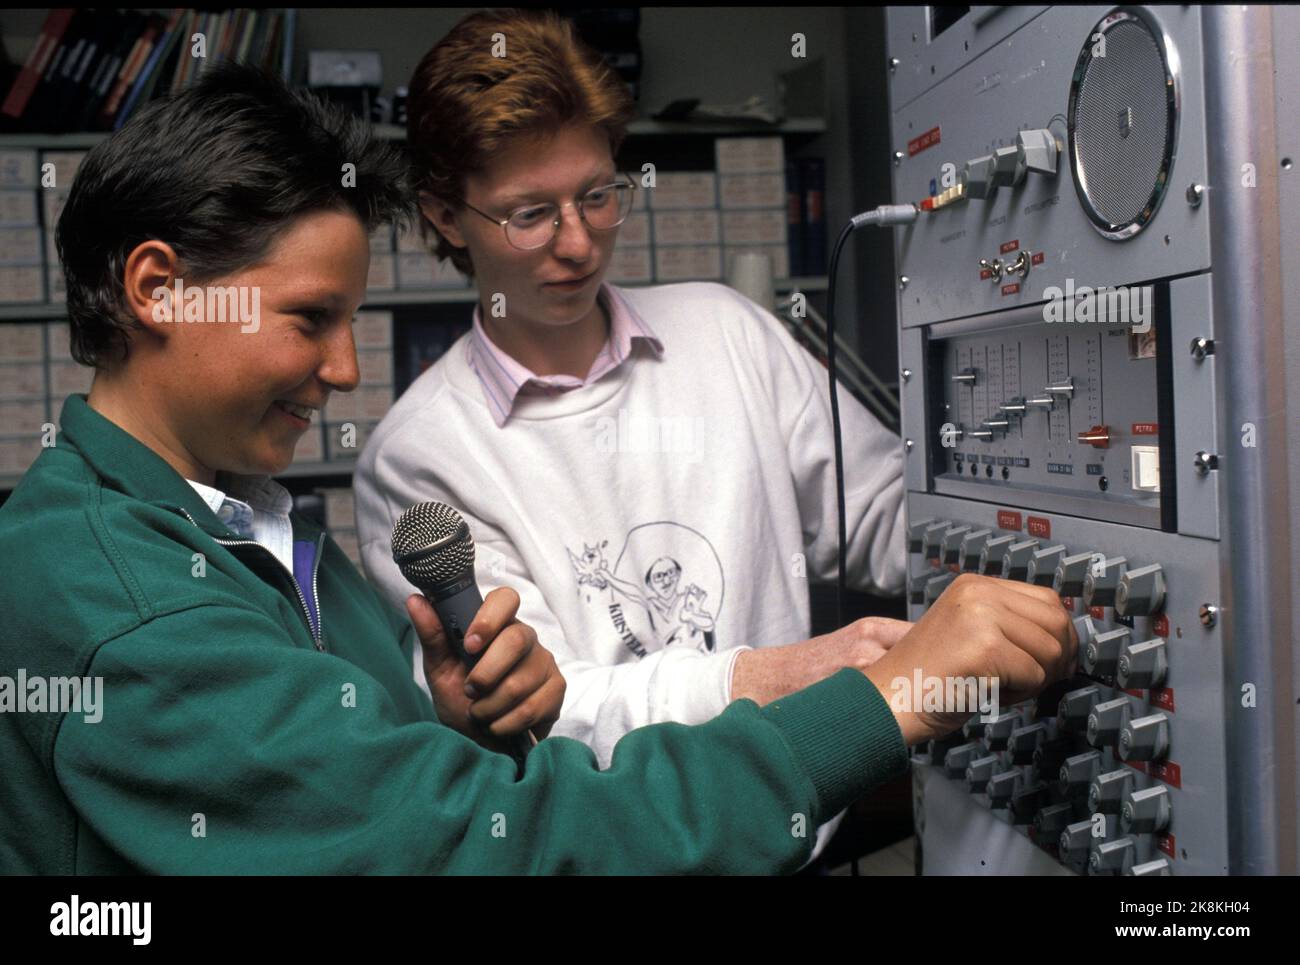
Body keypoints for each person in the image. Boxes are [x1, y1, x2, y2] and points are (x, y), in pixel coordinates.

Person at [0, 62, 1077, 876]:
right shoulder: (128, 604)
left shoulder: (250, 525)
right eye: (308, 319)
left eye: (598, 194)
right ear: (158, 288)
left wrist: (451, 722)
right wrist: (881, 700)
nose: (342, 367)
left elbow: (374, 789)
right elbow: (492, 845)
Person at [353, 8, 912, 859]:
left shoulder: (729, 330)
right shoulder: (417, 457)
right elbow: (553, 713)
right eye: (530, 213)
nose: (578, 243)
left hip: (806, 830)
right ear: (444, 214)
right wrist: (770, 675)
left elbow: (880, 513)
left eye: (598, 195)